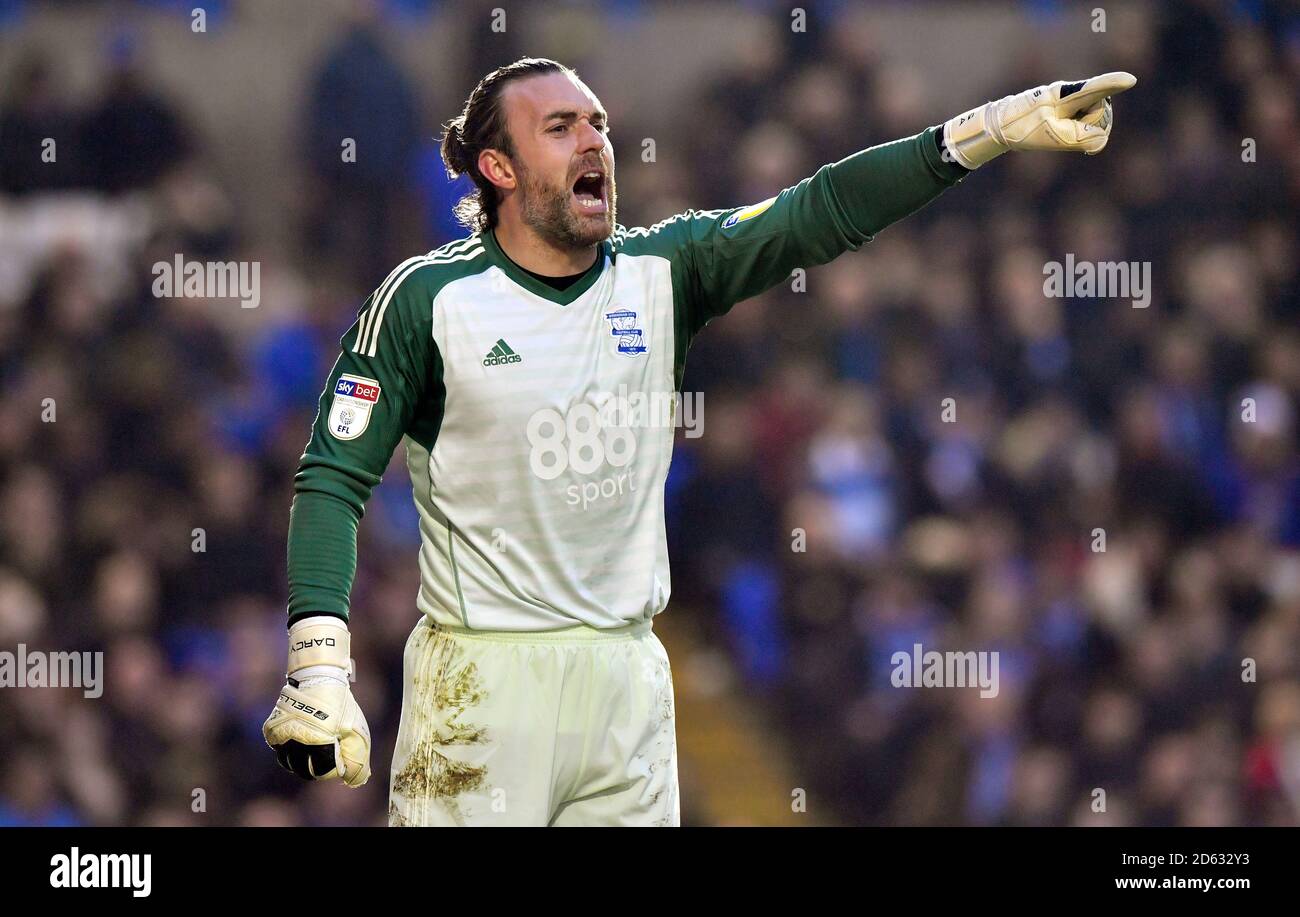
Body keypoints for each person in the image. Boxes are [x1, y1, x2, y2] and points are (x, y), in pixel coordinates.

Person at [261, 57, 1136, 826]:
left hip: (629, 679)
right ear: (498, 166)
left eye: (598, 124)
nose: (593, 142)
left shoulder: (662, 273)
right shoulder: (427, 301)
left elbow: (818, 211)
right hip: (482, 683)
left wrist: (980, 132)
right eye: (559, 127)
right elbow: (333, 479)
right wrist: (319, 662)